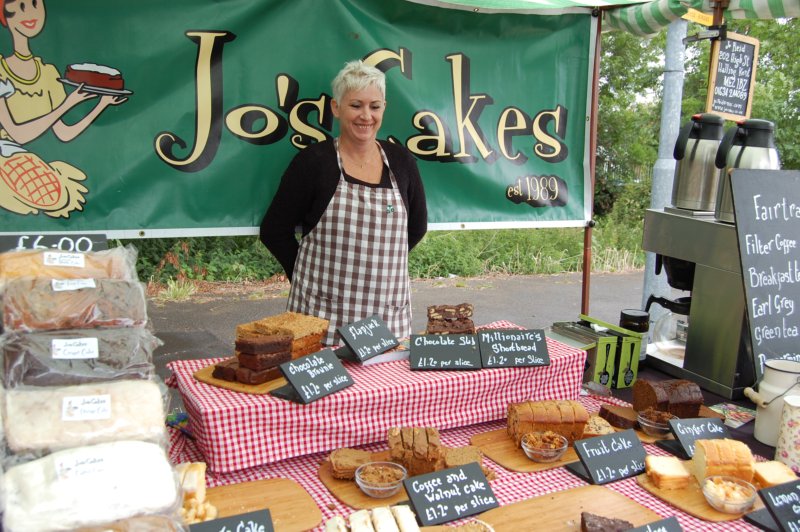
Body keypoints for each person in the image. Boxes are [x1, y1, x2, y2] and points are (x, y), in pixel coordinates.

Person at [260, 60, 427, 345]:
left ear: (384, 108)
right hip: (321, 317)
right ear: (336, 108)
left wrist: (379, 269)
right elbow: (274, 230)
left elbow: (416, 228)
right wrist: (305, 279)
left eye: (374, 106)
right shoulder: (314, 163)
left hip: (386, 319)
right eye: (355, 105)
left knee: (384, 390)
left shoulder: (401, 162)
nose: (366, 115)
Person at [0, 0, 126, 217]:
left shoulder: (48, 73)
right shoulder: (2, 70)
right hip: (6, 164)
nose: (30, 13)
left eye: (34, 4)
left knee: (64, 195)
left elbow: (64, 133)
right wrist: (69, 104)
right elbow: (17, 133)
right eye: (20, 7)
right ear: (5, 15)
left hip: (30, 164)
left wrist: (101, 104)